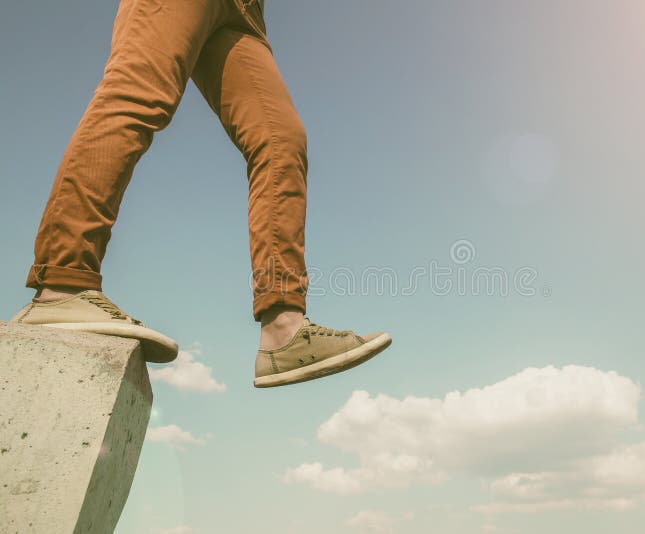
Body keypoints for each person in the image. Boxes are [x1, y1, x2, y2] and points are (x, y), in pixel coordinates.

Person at [9, 0, 391, 388]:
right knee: (139, 96)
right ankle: (63, 281)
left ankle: (284, 328)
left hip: (244, 11)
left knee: (282, 140)